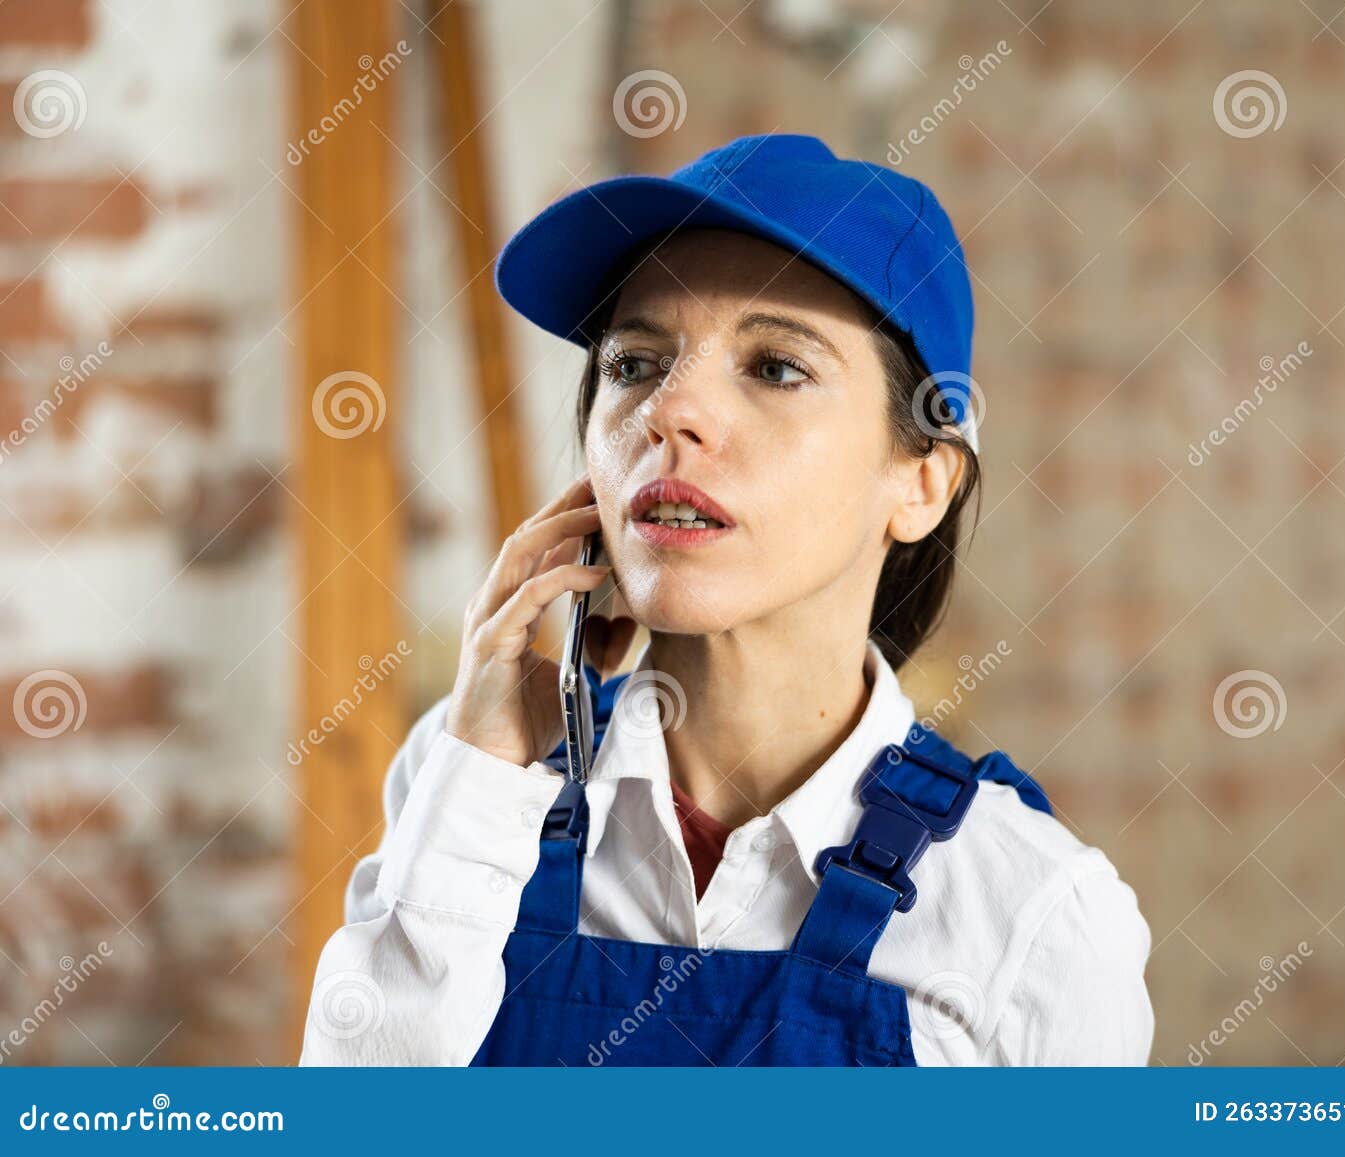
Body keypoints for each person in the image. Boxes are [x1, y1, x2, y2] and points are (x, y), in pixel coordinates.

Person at [299, 132, 1154, 1066]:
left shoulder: (1034, 913)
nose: (669, 410)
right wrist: (477, 779)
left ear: (922, 484)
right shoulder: (467, 780)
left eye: (776, 367)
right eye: (633, 364)